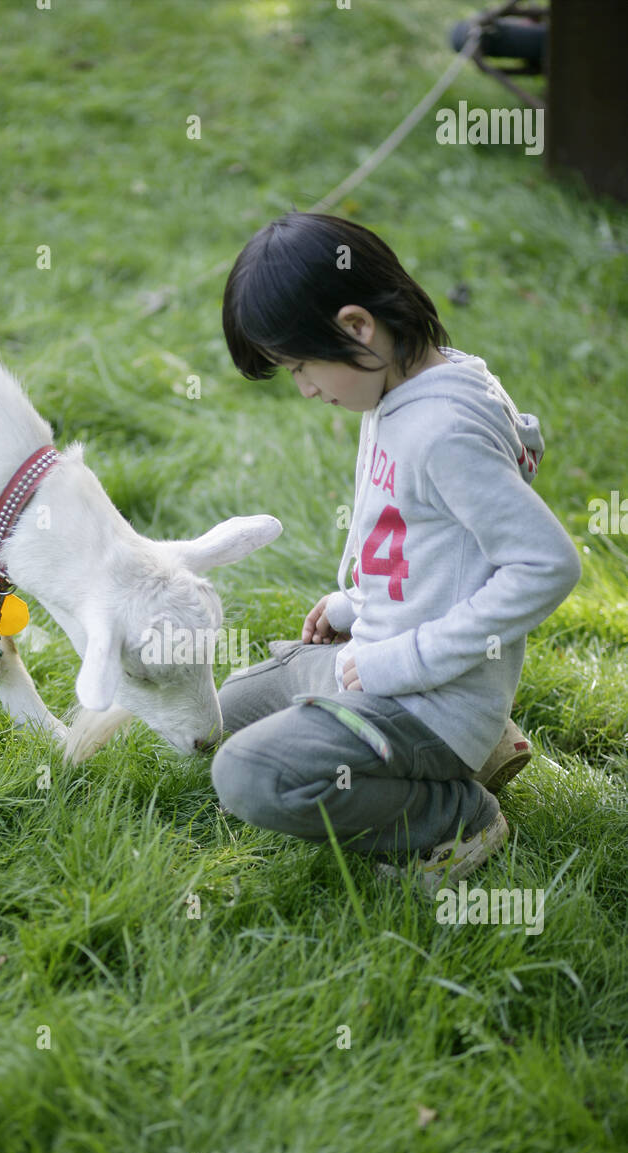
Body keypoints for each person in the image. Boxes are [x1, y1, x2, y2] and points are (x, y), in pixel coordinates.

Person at [212, 212, 581, 891]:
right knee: (226, 711)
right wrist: (355, 606)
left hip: (421, 691)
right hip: (381, 661)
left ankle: (455, 813)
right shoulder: (399, 388)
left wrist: (400, 659)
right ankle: (477, 746)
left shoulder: (441, 429)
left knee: (248, 774)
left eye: (301, 366)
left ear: (357, 327)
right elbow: (432, 544)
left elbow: (546, 564)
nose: (306, 389)